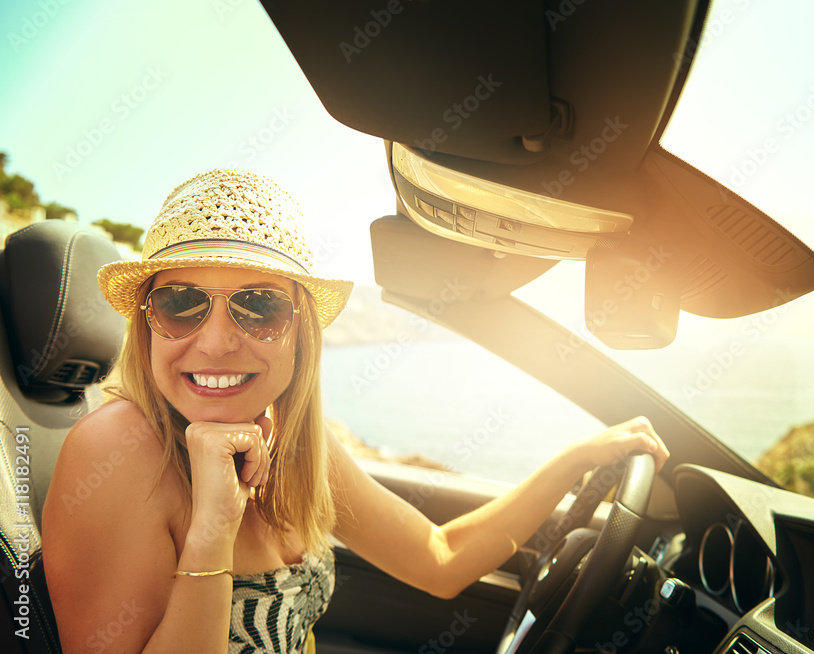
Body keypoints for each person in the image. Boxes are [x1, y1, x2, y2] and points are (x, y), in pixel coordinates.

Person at [41, 169, 669, 654]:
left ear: (300, 335)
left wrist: (577, 460)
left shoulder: (287, 439)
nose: (214, 341)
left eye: (258, 306)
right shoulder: (117, 452)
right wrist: (212, 529)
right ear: (147, 323)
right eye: (181, 302)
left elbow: (438, 559)